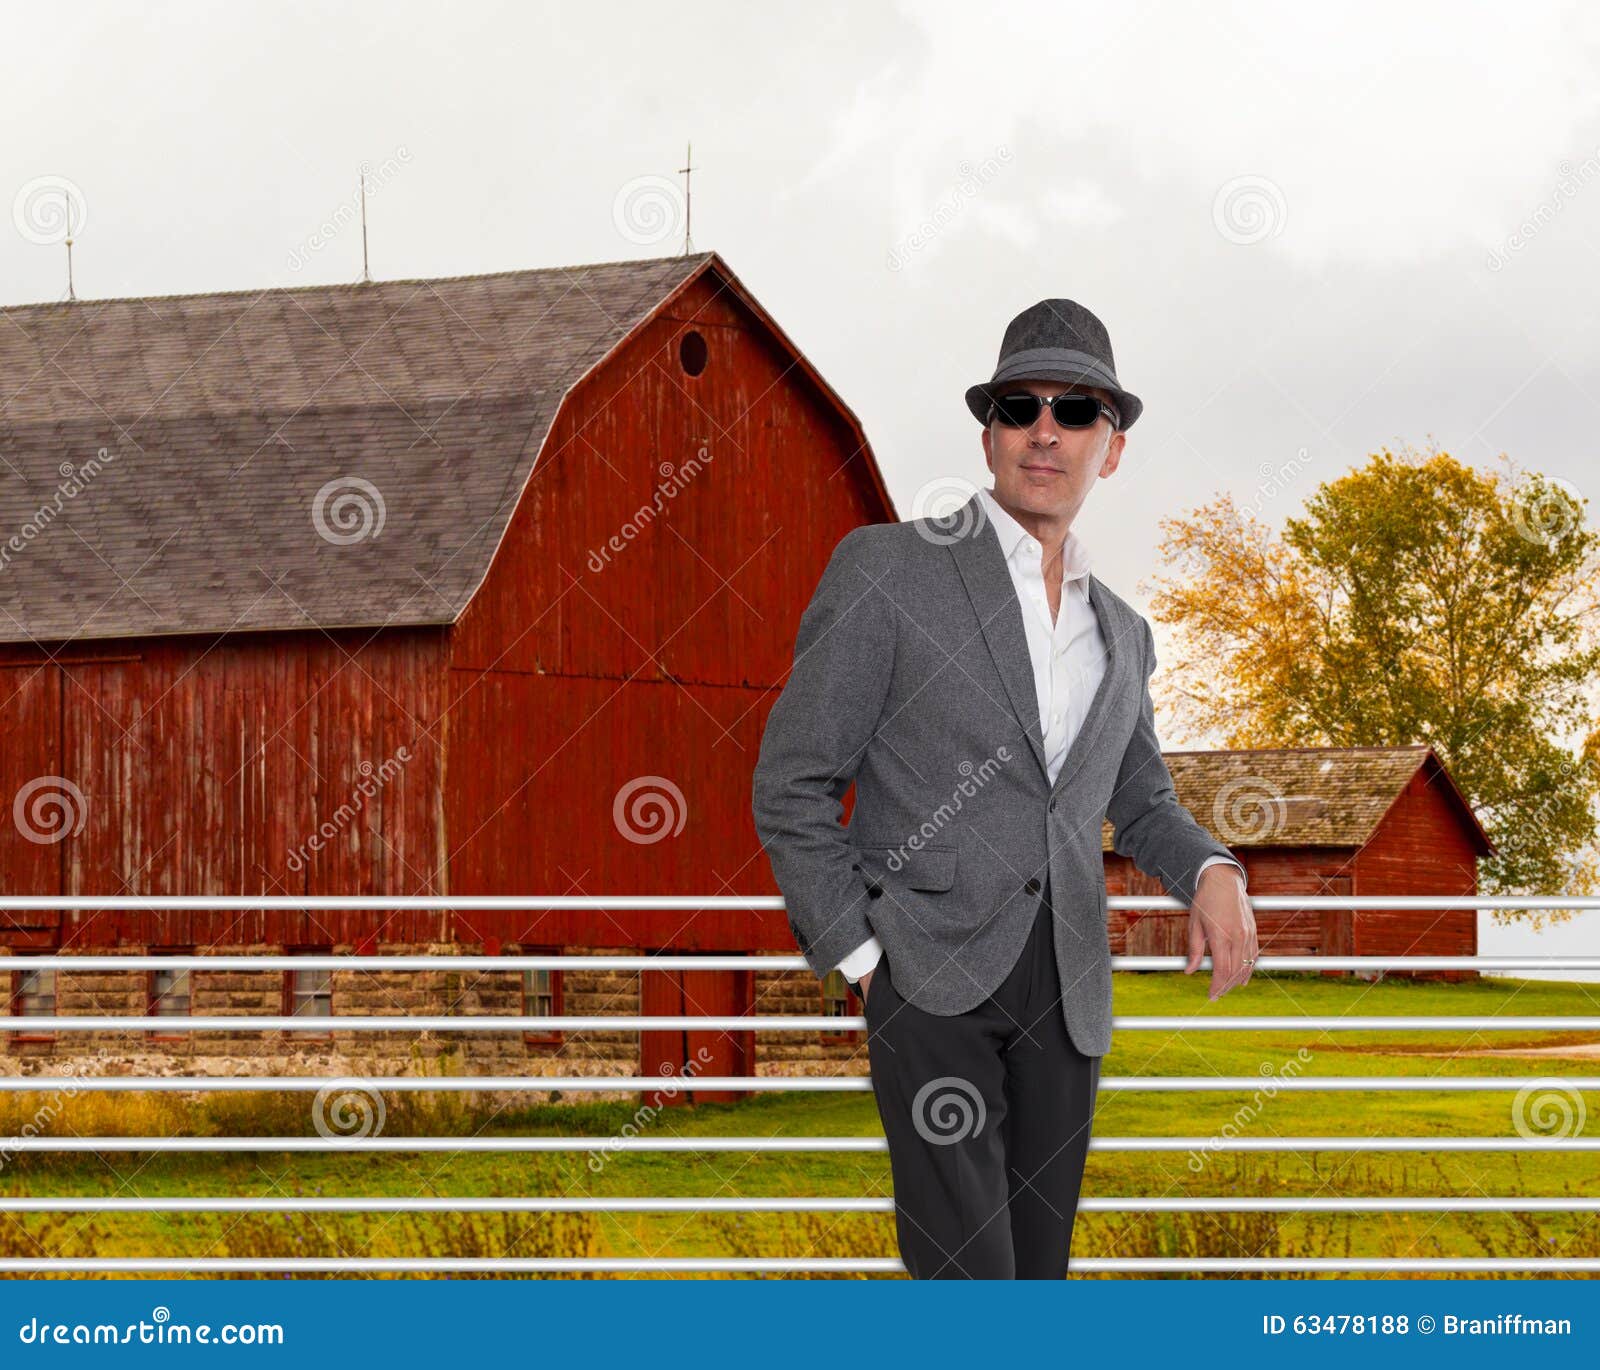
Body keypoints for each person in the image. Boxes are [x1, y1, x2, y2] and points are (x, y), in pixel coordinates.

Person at [751, 298, 1258, 1279]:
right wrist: (865, 961)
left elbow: (1139, 798)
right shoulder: (889, 570)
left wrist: (1209, 868)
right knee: (967, 1276)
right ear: (988, 432)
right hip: (927, 978)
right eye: (1021, 404)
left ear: (1109, 449)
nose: (1045, 429)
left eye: (1077, 411)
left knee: (1037, 1274)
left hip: (1066, 991)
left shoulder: (1124, 630)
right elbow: (793, 782)